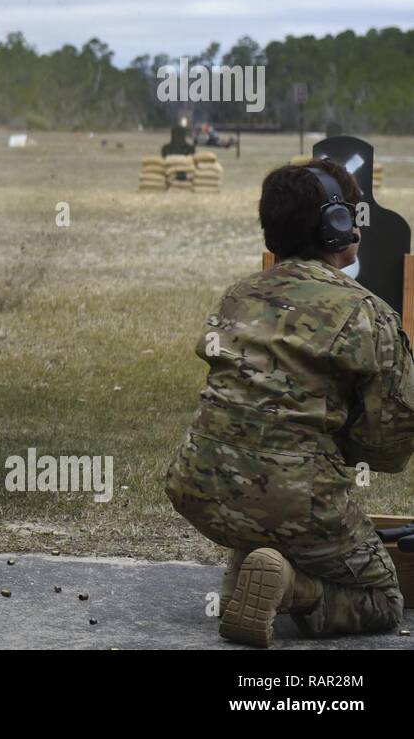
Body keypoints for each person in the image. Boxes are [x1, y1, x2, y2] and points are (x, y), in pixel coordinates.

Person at [165, 158, 414, 646]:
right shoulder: (369, 313)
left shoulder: (238, 297)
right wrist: (343, 443)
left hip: (199, 490)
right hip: (295, 499)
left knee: (279, 504)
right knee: (384, 600)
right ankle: (290, 585)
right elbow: (390, 447)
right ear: (336, 225)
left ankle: (255, 561)